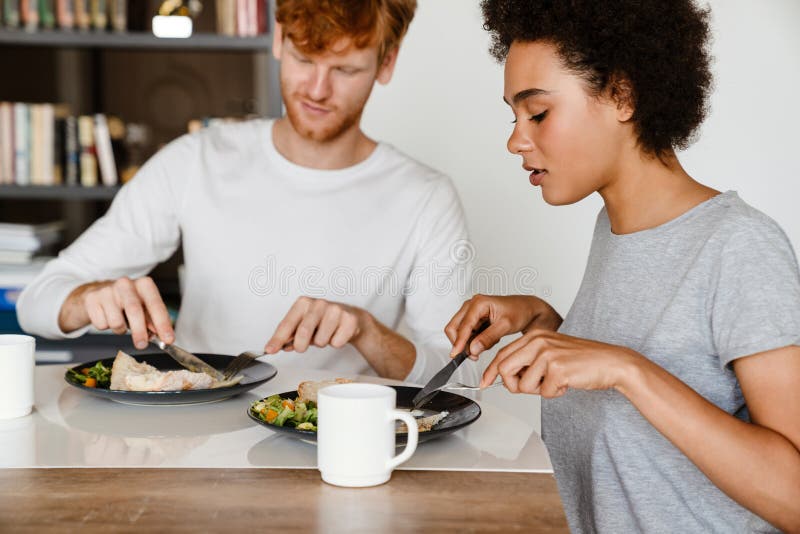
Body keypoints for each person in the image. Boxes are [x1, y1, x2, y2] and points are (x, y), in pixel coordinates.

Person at [445, 1, 800, 532]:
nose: (515, 140)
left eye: (538, 112)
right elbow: (636, 433)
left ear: (622, 96)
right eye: (513, 117)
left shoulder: (739, 246)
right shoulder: (614, 232)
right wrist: (545, 325)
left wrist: (627, 368)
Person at [18, 0, 477, 384]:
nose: (318, 89)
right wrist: (86, 300)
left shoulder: (426, 197)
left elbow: (459, 376)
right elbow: (35, 303)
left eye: (345, 69)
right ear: (278, 40)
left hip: (339, 449)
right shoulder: (195, 160)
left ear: (387, 62)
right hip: (198, 449)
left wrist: (367, 332)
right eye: (303, 59)